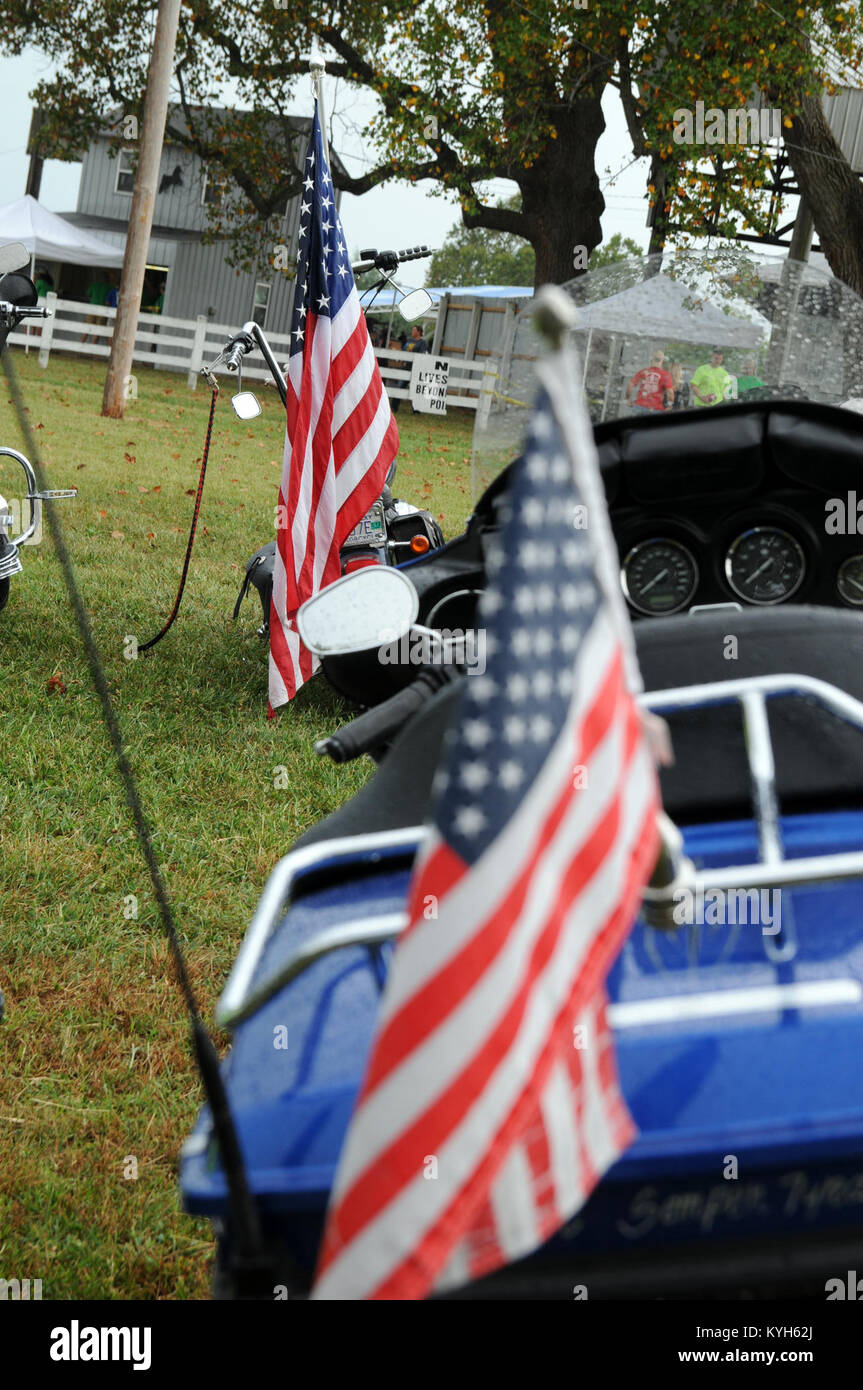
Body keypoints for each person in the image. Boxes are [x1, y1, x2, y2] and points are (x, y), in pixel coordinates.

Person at [625, 349, 674, 414]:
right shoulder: (665, 375)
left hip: (639, 406)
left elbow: (630, 385)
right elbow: (670, 393)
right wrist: (670, 405)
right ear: (662, 362)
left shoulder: (643, 372)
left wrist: (627, 399)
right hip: (656, 409)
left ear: (651, 360)